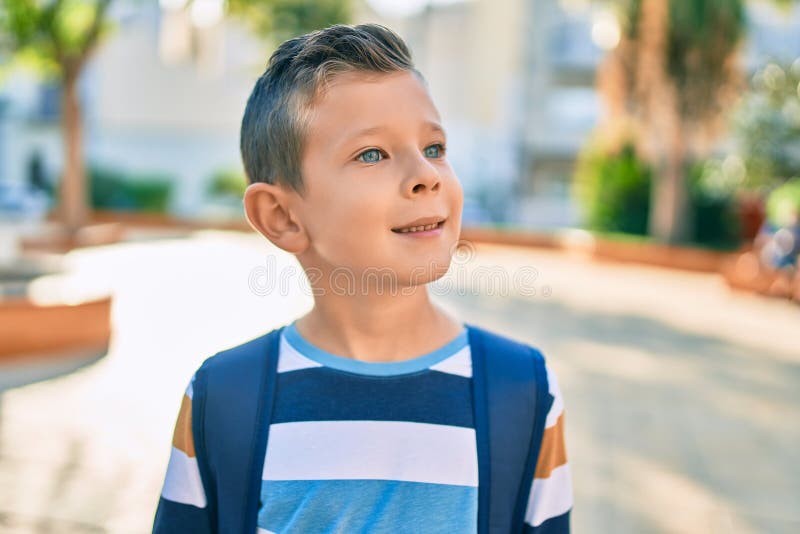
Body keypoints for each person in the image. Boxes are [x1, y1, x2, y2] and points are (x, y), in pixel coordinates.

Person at [152, 23, 572, 533]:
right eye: (372, 154)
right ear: (282, 217)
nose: (428, 174)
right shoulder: (222, 399)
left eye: (434, 147)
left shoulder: (522, 391)